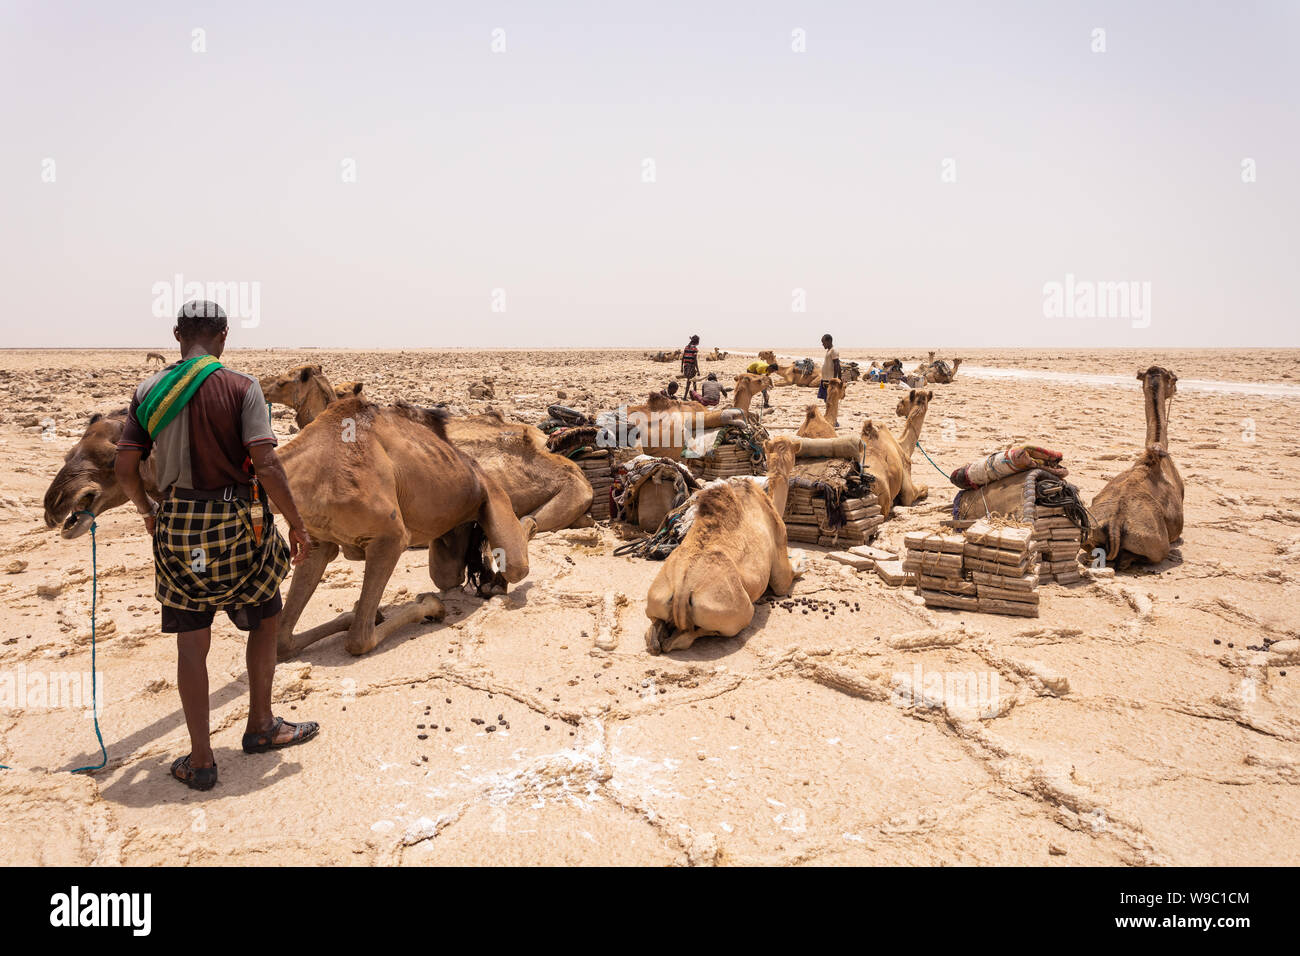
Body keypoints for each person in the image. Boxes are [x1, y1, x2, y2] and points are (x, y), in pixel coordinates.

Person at [115, 301, 317, 791]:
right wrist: (296, 523)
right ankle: (262, 725)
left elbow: (125, 467)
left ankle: (201, 759)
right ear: (224, 336)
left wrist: (147, 510)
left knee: (192, 641)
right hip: (238, 521)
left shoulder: (149, 390)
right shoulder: (243, 387)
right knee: (265, 618)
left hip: (178, 521)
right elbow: (266, 465)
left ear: (177, 335)